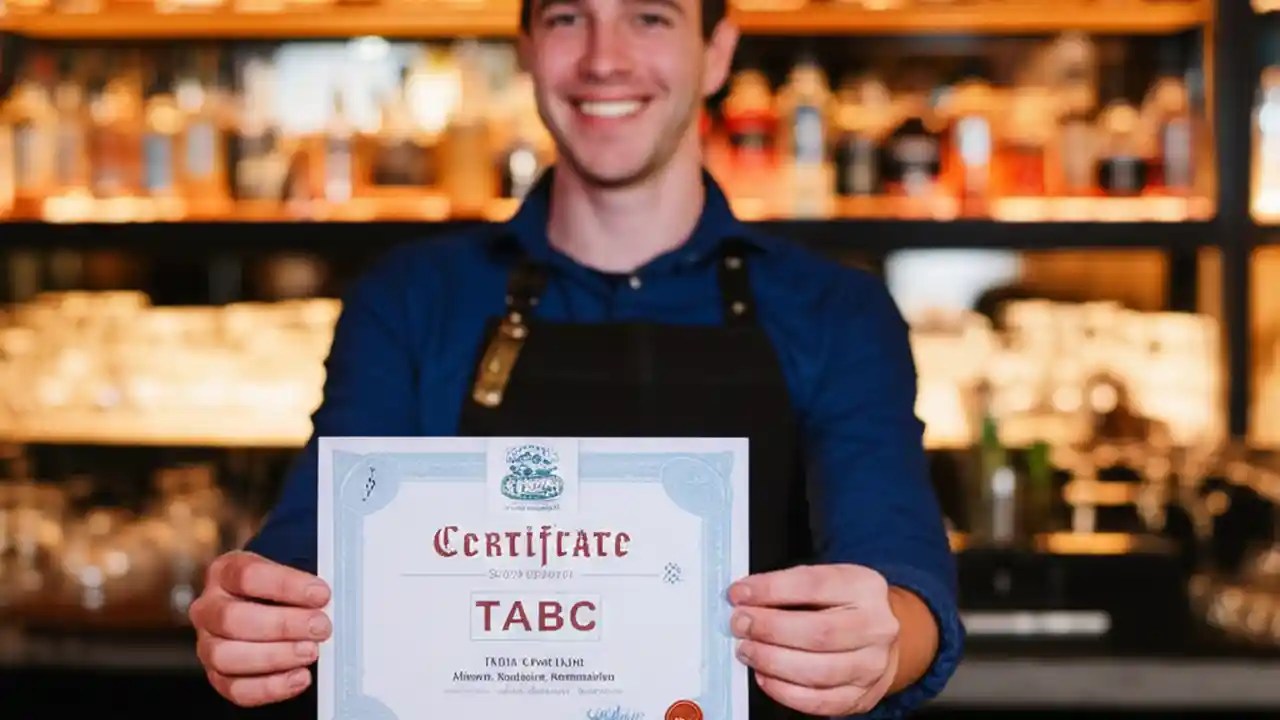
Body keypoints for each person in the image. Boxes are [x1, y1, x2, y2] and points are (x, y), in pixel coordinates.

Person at [188, 0, 964, 716]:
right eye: (567, 18)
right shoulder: (412, 297)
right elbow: (314, 539)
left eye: (650, 18)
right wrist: (257, 612)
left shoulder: (836, 311)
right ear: (526, 49)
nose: (604, 59)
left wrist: (880, 643)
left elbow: (902, 571)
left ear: (718, 51)